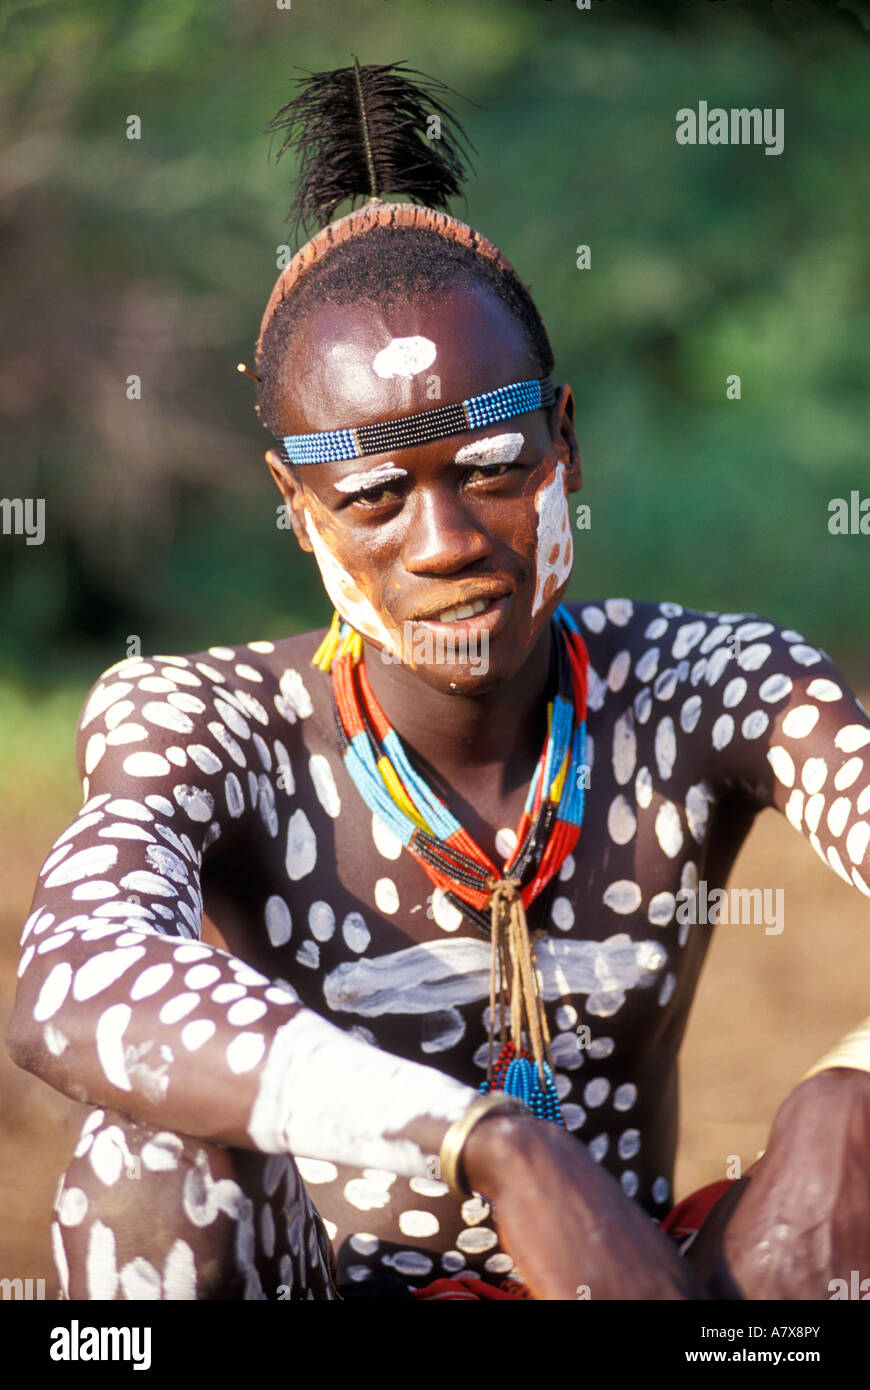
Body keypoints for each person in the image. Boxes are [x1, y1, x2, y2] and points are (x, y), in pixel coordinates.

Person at [7, 61, 870, 1302]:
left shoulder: (709, 686)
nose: (445, 541)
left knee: (852, 1141)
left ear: (565, 444)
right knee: (151, 1144)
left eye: (495, 467)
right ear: (295, 512)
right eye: (370, 498)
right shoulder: (209, 722)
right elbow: (71, 982)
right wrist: (493, 1145)